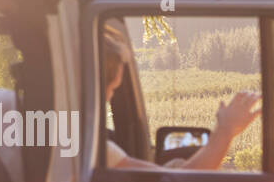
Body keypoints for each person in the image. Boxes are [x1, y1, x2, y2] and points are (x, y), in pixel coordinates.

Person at [99, 34, 261, 170]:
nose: (109, 98)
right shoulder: (98, 149)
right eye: (112, 89)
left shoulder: (81, 140)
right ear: (94, 86)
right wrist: (226, 130)